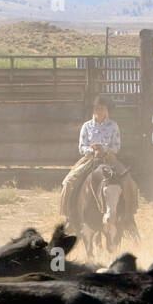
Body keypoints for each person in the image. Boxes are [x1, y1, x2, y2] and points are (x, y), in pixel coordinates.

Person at [60, 94, 121, 225]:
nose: (99, 111)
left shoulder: (113, 126)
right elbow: (82, 147)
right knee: (68, 182)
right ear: (93, 110)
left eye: (102, 108)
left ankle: (127, 217)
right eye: (97, 108)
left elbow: (116, 147)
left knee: (128, 182)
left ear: (107, 110)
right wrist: (92, 150)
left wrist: (104, 149)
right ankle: (70, 216)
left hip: (108, 159)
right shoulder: (86, 126)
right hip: (89, 159)